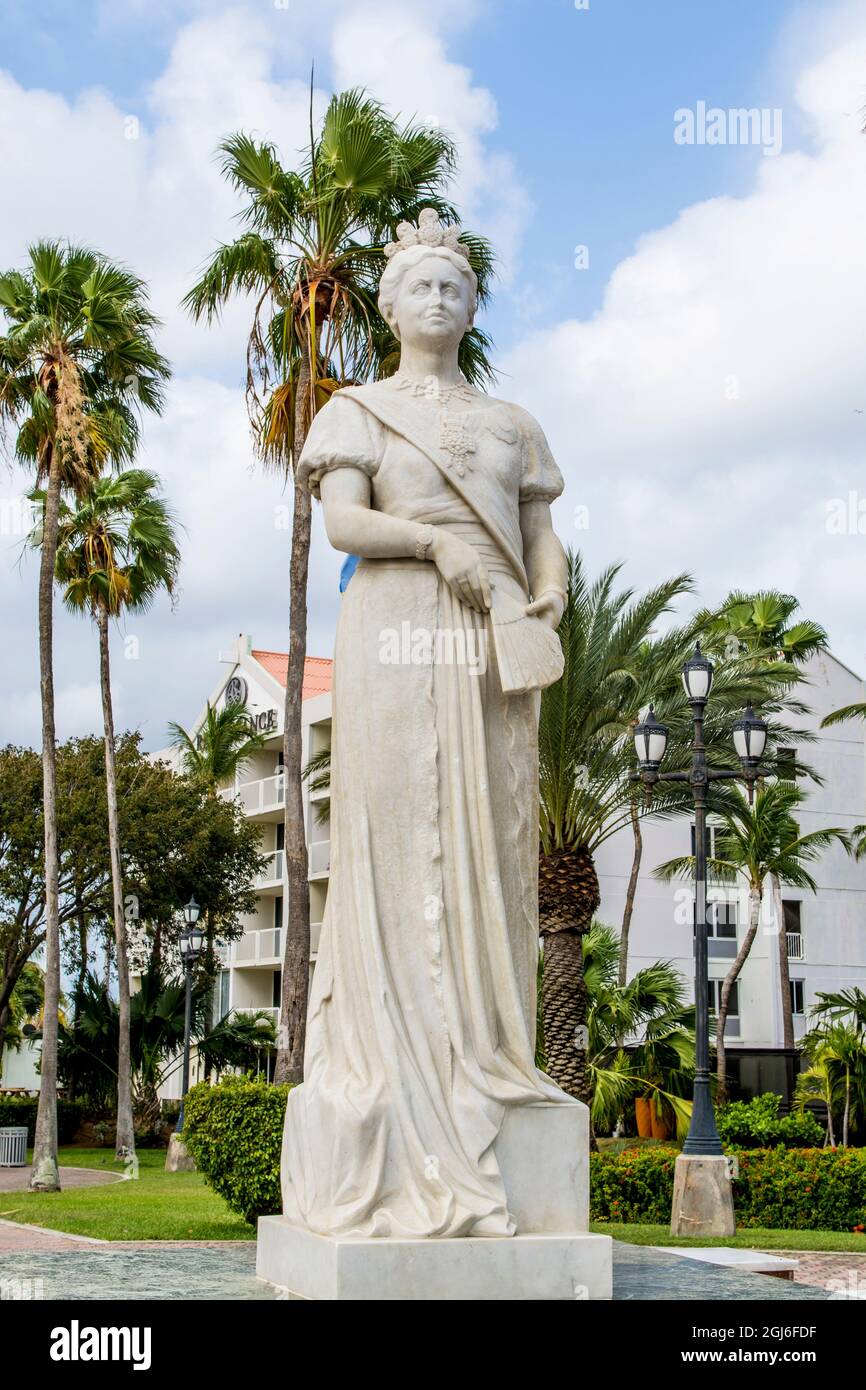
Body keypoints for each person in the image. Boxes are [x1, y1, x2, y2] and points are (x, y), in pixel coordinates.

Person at [281, 209, 576, 1239]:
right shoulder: (355, 409)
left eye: (454, 286)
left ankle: (485, 1059)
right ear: (391, 305)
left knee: (489, 845)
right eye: (420, 287)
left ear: (470, 305)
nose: (438, 301)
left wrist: (544, 595)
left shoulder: (510, 424)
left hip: (494, 641)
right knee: (400, 838)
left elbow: (544, 538)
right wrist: (427, 544)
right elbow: (344, 526)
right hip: (397, 621)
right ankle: (397, 1067)